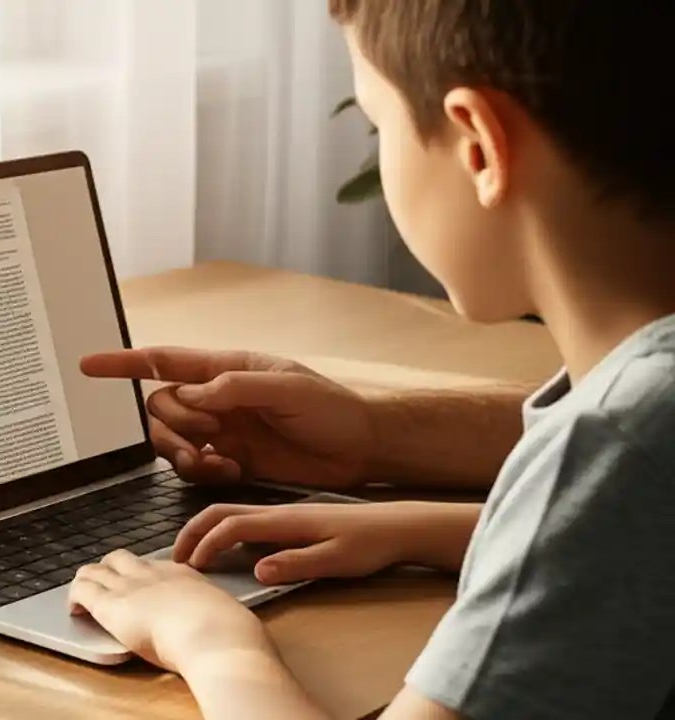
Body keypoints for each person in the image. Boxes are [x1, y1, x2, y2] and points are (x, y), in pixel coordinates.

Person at [66, 1, 675, 718]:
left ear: (479, 144)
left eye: (376, 124)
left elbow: (625, 479)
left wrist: (210, 641)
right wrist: (435, 525)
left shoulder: (619, 444)